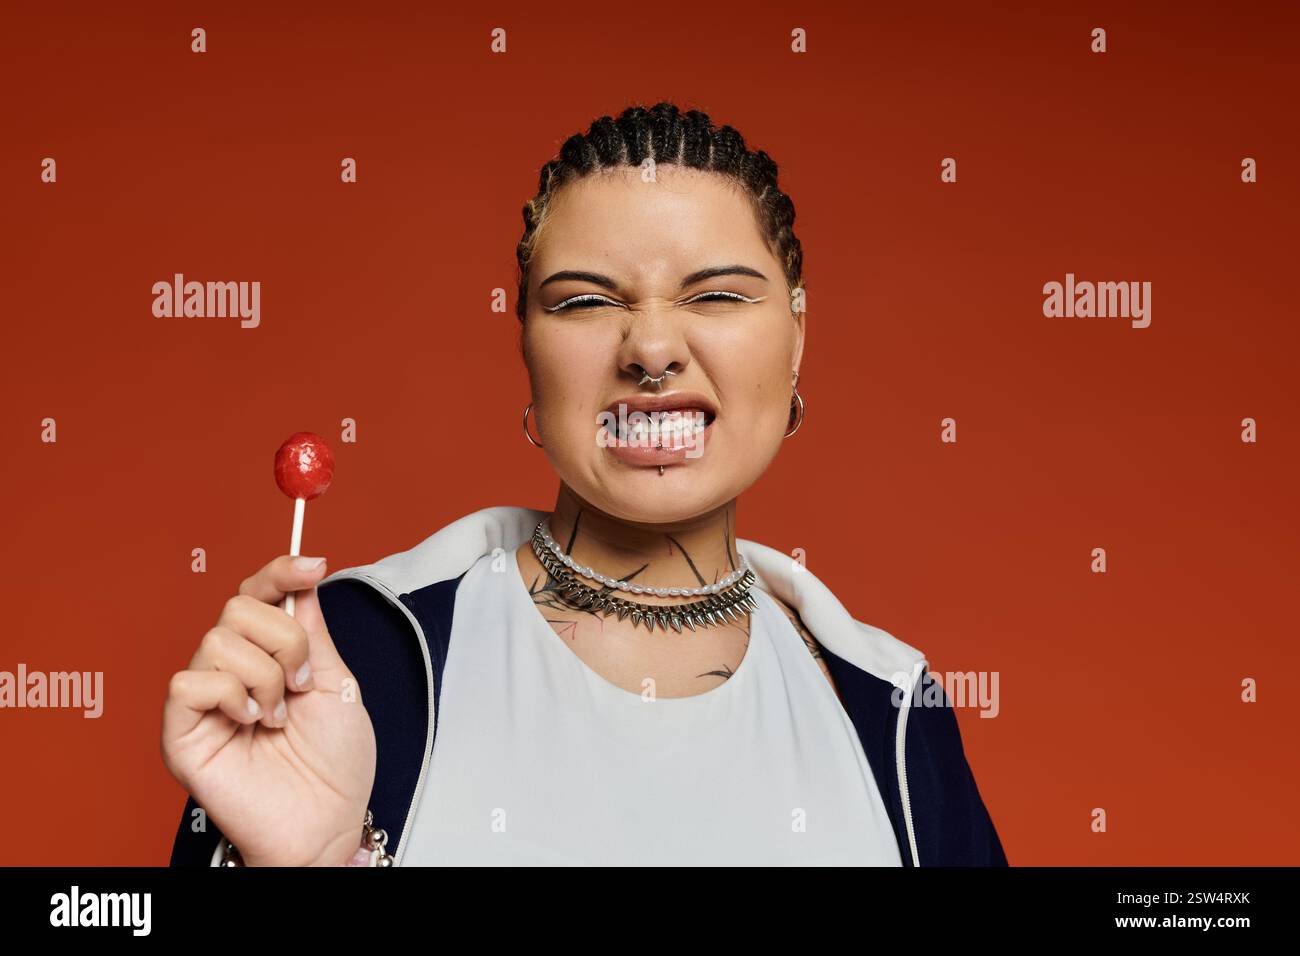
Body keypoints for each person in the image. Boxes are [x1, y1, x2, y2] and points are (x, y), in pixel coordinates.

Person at [163, 101, 1008, 867]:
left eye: (715, 295)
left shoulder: (893, 710)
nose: (650, 348)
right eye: (583, 303)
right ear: (525, 344)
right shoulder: (354, 658)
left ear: (796, 338)